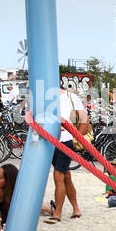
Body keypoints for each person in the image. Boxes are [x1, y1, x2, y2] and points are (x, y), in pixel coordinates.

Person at [47, 88, 88, 222]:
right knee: (66, 176)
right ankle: (76, 208)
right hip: (51, 141)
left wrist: (76, 138)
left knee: (58, 174)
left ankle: (57, 212)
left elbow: (84, 119)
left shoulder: (70, 96)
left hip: (66, 140)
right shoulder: (44, 96)